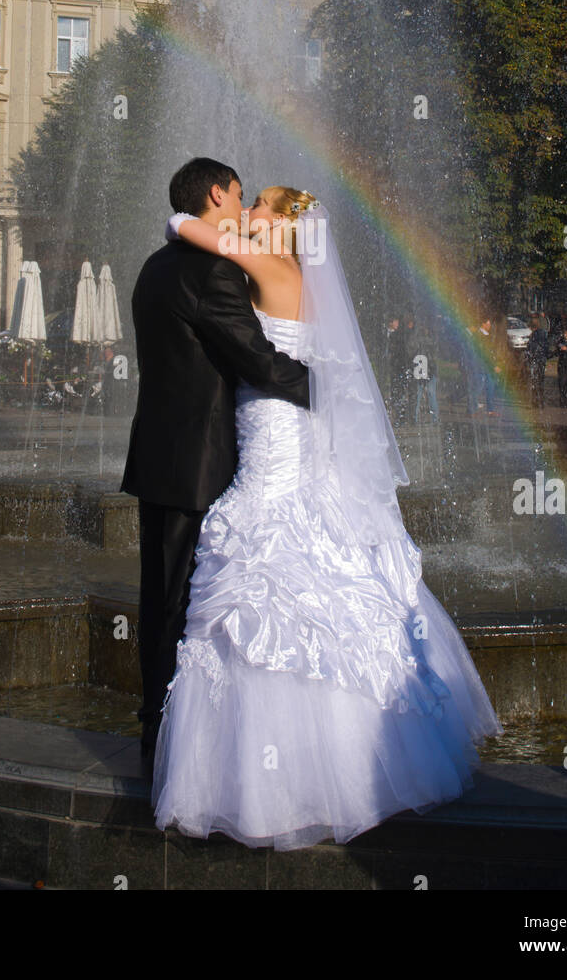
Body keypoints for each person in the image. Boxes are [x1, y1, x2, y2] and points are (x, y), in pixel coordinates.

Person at [149, 178, 501, 849]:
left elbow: (183, 226)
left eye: (256, 207)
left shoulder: (267, 263)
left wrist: (203, 222)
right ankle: (339, 766)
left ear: (282, 224)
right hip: (297, 428)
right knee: (304, 546)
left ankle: (273, 790)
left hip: (274, 430)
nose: (244, 213)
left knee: (264, 550)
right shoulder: (298, 278)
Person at [121, 160, 312, 772]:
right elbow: (255, 359)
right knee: (186, 604)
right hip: (200, 465)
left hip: (156, 457)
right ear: (216, 194)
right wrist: (329, 389)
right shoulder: (213, 269)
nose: (242, 204)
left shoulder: (156, 264)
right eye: (237, 194)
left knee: (160, 598)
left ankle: (157, 728)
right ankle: (178, 745)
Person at [524, 313, 549, 409]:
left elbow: (533, 348)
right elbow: (544, 347)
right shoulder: (542, 333)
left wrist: (529, 355)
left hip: (536, 360)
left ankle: (536, 402)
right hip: (540, 360)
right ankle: (540, 402)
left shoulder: (536, 334)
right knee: (539, 382)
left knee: (535, 382)